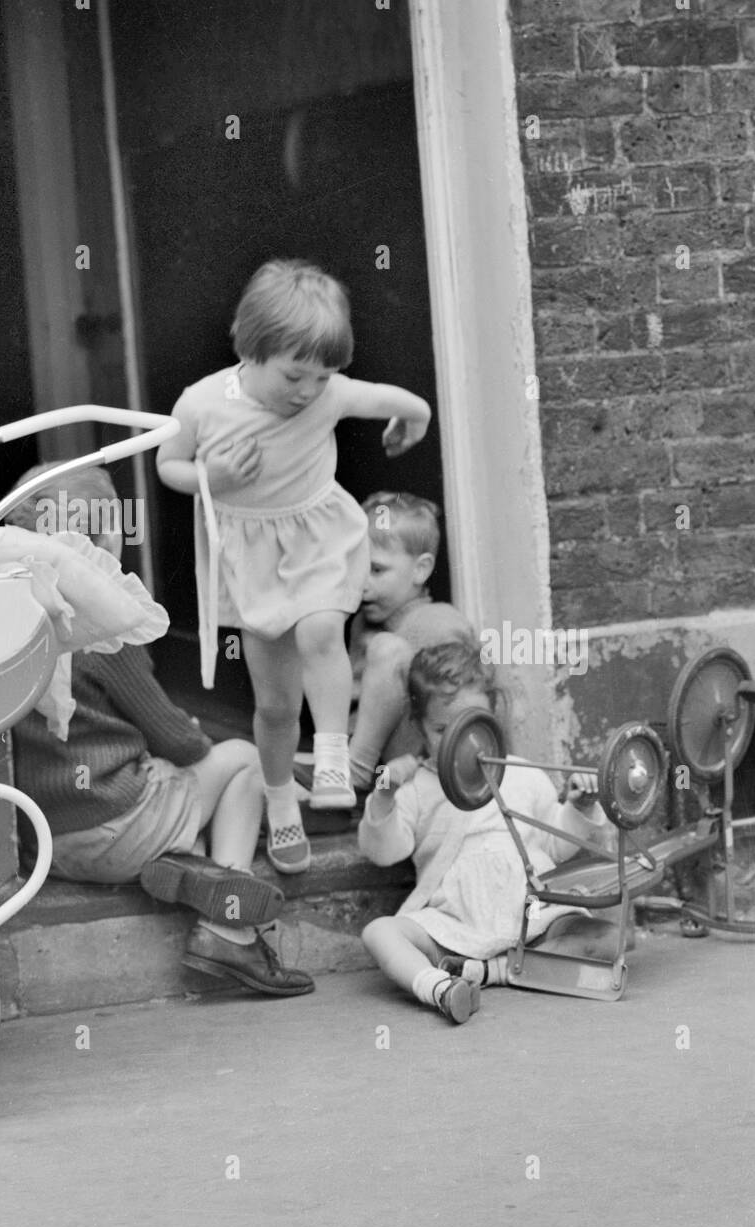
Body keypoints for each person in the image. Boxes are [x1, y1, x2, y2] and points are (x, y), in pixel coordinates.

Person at [156, 259, 433, 876]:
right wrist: (212, 476)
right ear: (250, 349)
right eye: (295, 375)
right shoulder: (203, 403)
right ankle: (281, 802)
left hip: (318, 538)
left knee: (319, 631)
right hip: (252, 559)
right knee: (276, 704)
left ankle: (333, 753)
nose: (309, 391)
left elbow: (397, 398)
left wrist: (415, 419)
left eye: (323, 376)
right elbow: (167, 465)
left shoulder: (329, 394)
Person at [8, 464, 314, 998]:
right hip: (115, 825)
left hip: (45, 842)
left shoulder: (3, 619)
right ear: (101, 542)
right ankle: (229, 928)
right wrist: (197, 737)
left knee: (183, 783)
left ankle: (187, 856)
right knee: (244, 760)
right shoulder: (101, 627)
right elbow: (175, 740)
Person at [358, 642, 614, 1024]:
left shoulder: (523, 773)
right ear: (419, 728)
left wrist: (580, 806)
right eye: (443, 729)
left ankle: (490, 972)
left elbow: (556, 847)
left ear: (492, 718)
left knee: (612, 940)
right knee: (380, 932)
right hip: (454, 920)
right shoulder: (419, 785)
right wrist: (384, 797)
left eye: (472, 725)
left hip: (531, 915)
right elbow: (385, 851)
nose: (460, 741)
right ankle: (438, 987)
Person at [342, 491, 474, 792]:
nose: (362, 582)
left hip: (419, 767)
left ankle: (354, 772)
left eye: (376, 569)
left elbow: (458, 707)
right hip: (377, 762)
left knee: (388, 650)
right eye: (356, 567)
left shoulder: (439, 622)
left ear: (421, 569)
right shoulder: (364, 621)